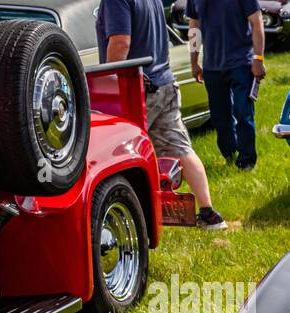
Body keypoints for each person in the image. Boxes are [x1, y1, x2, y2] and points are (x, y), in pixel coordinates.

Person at [96, 0, 226, 229]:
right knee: (181, 148)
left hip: (137, 89)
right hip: (164, 82)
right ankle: (209, 214)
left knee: (119, 155)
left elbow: (120, 43)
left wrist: (109, 82)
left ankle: (124, 217)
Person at [188, 0, 266, 171]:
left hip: (241, 63)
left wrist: (258, 58)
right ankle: (230, 154)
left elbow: (256, 21)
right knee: (219, 117)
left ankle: (246, 162)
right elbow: (194, 26)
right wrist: (194, 61)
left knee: (242, 113)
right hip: (212, 67)